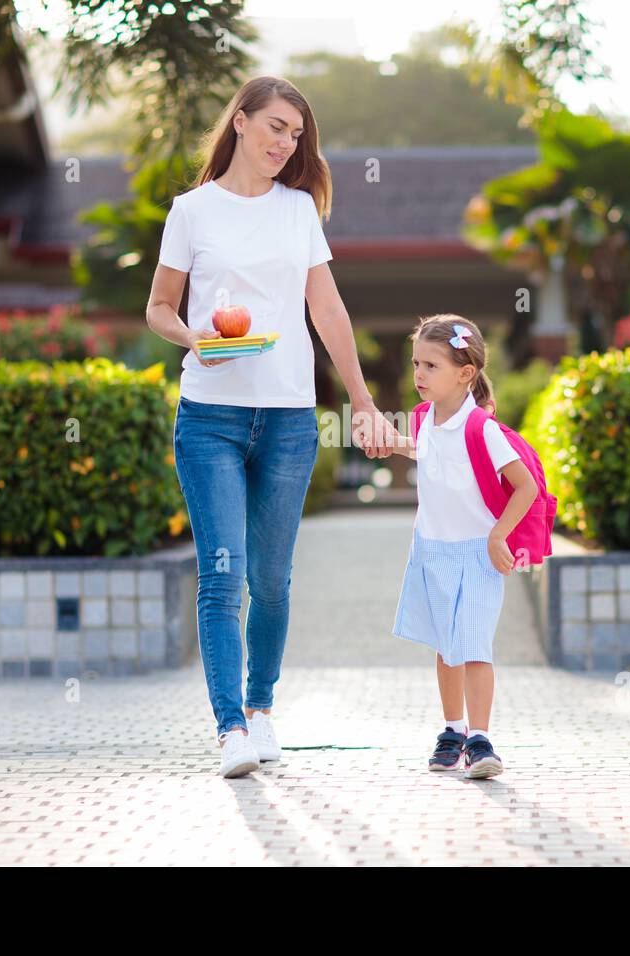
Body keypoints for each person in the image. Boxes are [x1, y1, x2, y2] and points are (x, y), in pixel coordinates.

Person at [145, 76, 397, 778]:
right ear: (241, 121)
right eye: (276, 127)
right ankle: (229, 728)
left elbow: (328, 311)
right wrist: (194, 339)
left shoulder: (298, 210)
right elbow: (159, 307)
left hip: (288, 419)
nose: (286, 143)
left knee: (274, 581)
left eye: (296, 135)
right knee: (223, 577)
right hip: (210, 418)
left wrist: (362, 401)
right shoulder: (192, 211)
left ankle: (261, 710)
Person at [385, 314, 539, 778]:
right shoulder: (425, 419)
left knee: (474, 647)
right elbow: (428, 450)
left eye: (431, 366)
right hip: (432, 552)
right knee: (445, 646)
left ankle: (480, 738)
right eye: (416, 363)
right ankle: (452, 731)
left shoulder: (482, 428)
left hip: (477, 556)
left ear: (465, 373)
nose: (418, 374)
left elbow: (526, 486)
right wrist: (393, 445)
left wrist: (497, 536)